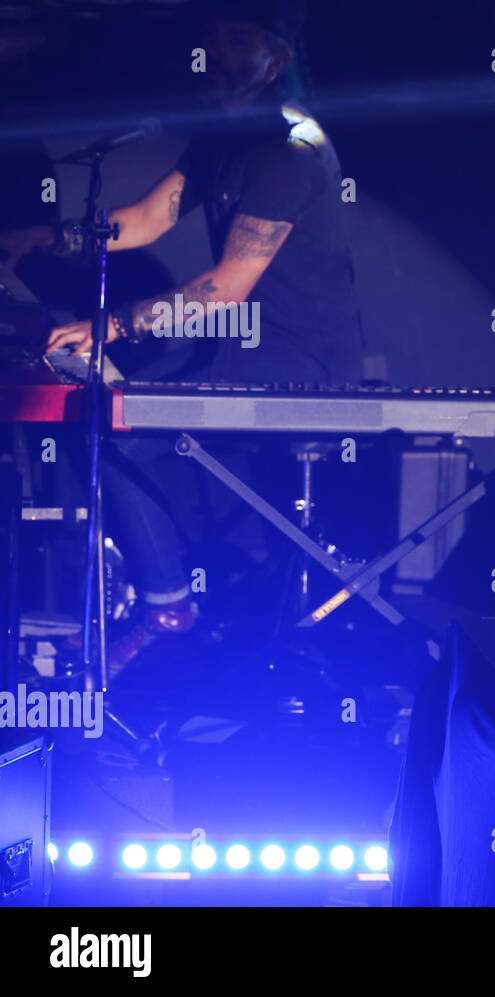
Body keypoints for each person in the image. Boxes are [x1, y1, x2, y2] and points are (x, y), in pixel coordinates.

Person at [34, 0, 364, 673]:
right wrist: (43, 240)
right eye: (209, 36)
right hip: (240, 345)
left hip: (298, 362)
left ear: (275, 59)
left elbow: (223, 288)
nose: (213, 51)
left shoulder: (287, 150)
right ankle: (156, 592)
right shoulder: (224, 137)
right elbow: (147, 220)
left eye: (235, 38)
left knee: (122, 421)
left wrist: (112, 327)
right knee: (101, 403)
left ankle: (169, 608)